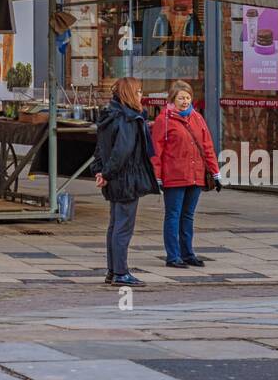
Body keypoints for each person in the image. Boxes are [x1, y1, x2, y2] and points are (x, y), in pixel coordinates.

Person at [93, 76, 161, 287]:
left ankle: (113, 271)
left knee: (115, 225)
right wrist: (107, 173)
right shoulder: (128, 119)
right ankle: (121, 272)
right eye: (139, 91)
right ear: (130, 94)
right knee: (123, 227)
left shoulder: (110, 116)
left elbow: (100, 148)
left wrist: (101, 172)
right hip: (126, 179)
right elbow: (122, 151)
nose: (142, 95)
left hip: (115, 178)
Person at [150, 80, 220, 269]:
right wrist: (157, 176)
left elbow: (207, 146)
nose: (185, 101)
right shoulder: (163, 121)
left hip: (195, 175)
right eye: (181, 98)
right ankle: (173, 256)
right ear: (172, 99)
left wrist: (215, 172)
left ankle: (188, 253)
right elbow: (157, 151)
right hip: (174, 175)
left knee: (188, 216)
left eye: (188, 97)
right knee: (173, 215)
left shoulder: (197, 118)